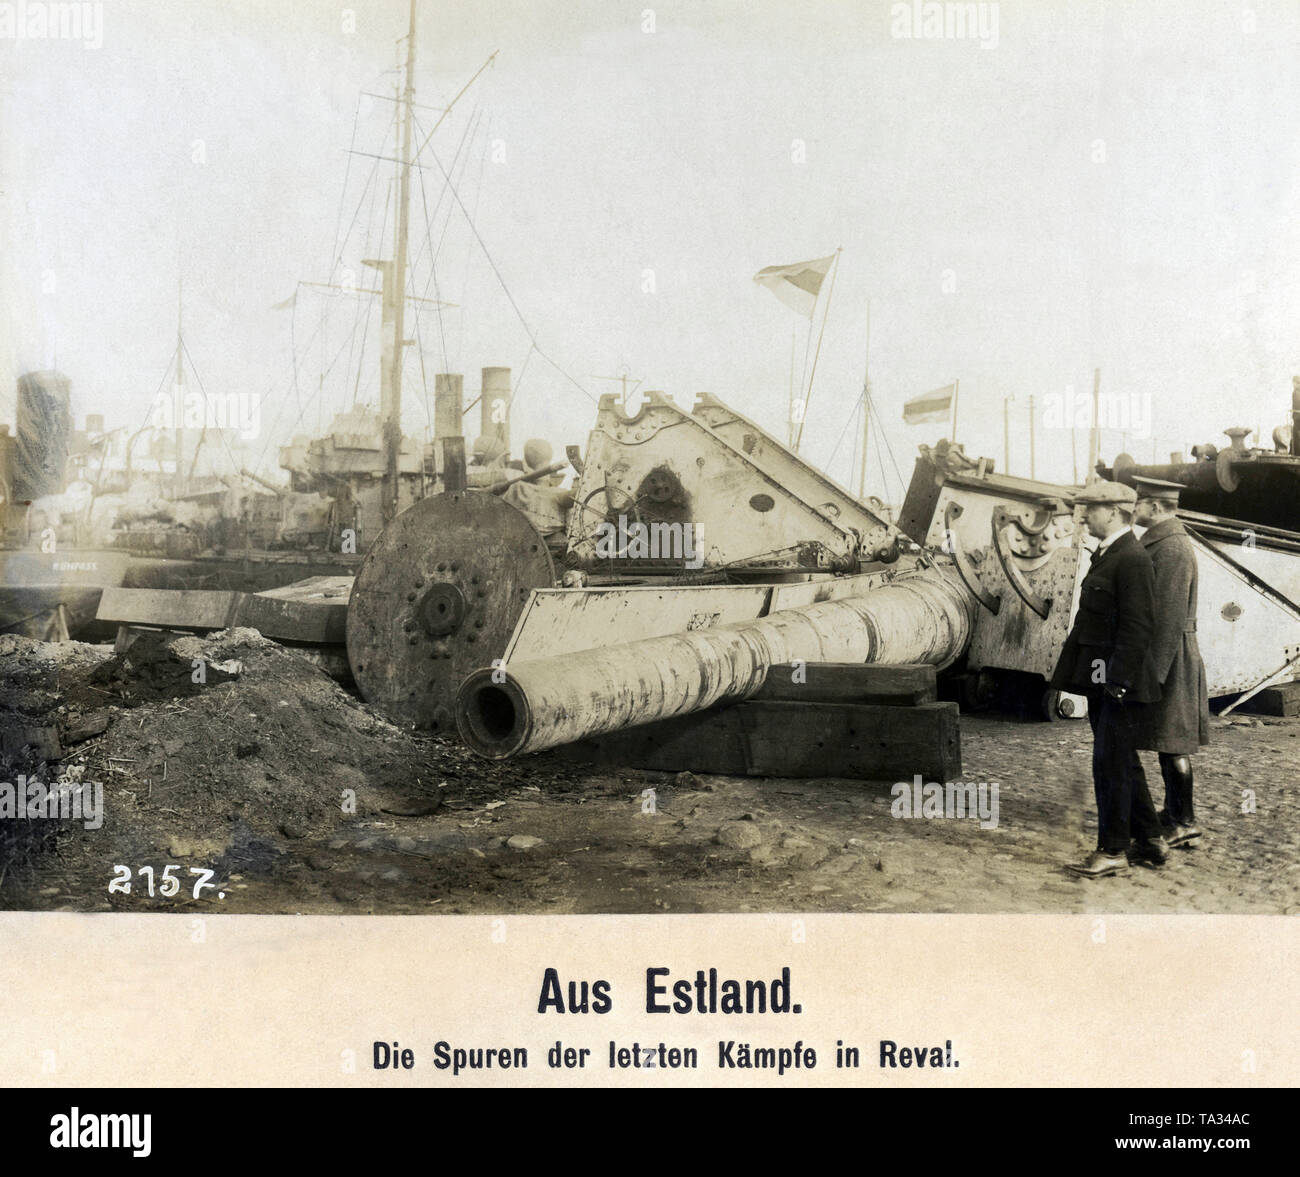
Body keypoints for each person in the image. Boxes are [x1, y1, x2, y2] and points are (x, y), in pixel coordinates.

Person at [1049, 480, 1169, 877]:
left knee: (1110, 765)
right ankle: (1150, 839)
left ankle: (1114, 849)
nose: (1083, 516)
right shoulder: (1110, 553)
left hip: (1120, 684)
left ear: (1116, 513)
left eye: (1091, 509)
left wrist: (1117, 682)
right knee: (1123, 760)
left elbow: (1137, 628)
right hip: (1106, 680)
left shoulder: (1131, 558)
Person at [1132, 476, 1209, 847]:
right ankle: (1174, 813)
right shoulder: (1166, 544)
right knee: (1167, 741)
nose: (1134, 510)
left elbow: (1167, 618)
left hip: (1172, 656)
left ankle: (1185, 821)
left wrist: (1155, 674)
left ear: (1155, 507)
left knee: (1174, 741)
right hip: (1171, 654)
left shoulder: (1172, 548)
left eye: (1138, 503)